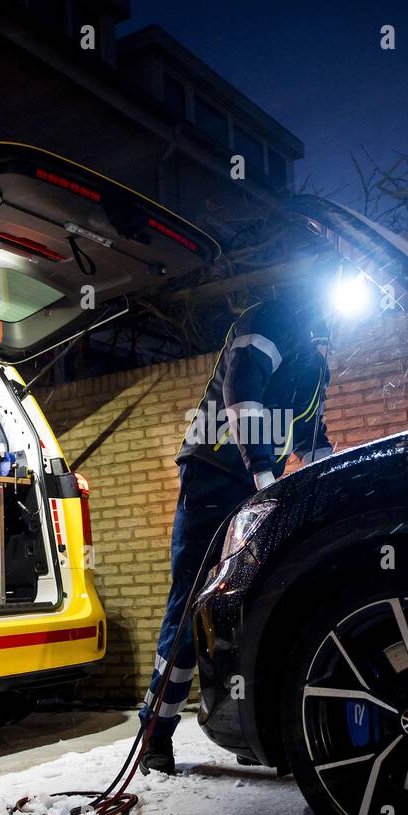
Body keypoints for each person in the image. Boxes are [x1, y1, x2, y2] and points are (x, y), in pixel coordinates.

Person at [139, 275, 336, 774]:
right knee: (190, 608)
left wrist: (334, 484)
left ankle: (250, 730)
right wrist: (264, 473)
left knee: (248, 606)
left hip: (256, 486)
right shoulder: (269, 318)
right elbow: (241, 389)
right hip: (216, 477)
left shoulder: (312, 363)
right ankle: (154, 734)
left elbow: (311, 437)